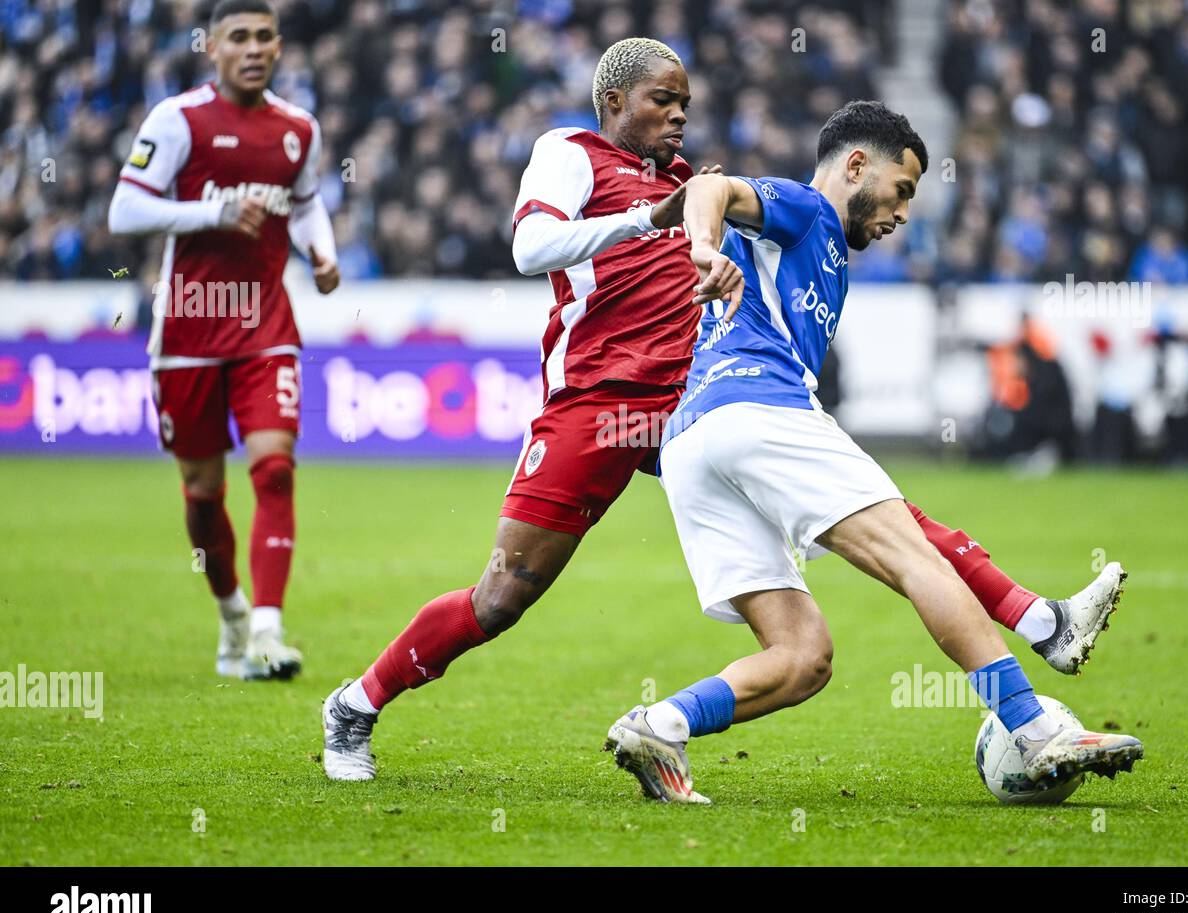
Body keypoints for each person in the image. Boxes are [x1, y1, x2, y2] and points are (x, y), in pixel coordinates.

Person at [323, 41, 1125, 783]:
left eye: (685, 103)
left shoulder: (691, 187)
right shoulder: (570, 154)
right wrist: (655, 222)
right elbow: (532, 249)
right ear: (612, 101)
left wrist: (699, 229)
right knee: (502, 596)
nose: (678, 115)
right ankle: (355, 705)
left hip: (689, 405)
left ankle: (1039, 619)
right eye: (661, 100)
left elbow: (733, 207)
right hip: (601, 401)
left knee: (884, 537)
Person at [603, 100, 1143, 803]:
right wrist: (703, 245)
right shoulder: (807, 209)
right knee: (916, 562)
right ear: (856, 165)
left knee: (802, 657)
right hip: (760, 411)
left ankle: (660, 725)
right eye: (903, 190)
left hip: (695, 445)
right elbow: (709, 189)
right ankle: (1033, 727)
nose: (902, 215)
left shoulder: (819, 252)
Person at [108, 0, 339, 680]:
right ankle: (232, 614)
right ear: (212, 47)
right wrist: (211, 210)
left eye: (265, 36)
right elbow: (124, 208)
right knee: (203, 495)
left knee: (274, 467)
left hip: (265, 328)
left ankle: (268, 629)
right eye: (239, 36)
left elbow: (306, 200)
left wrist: (320, 252)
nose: (255, 48)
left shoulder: (298, 129)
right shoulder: (177, 121)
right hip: (186, 332)